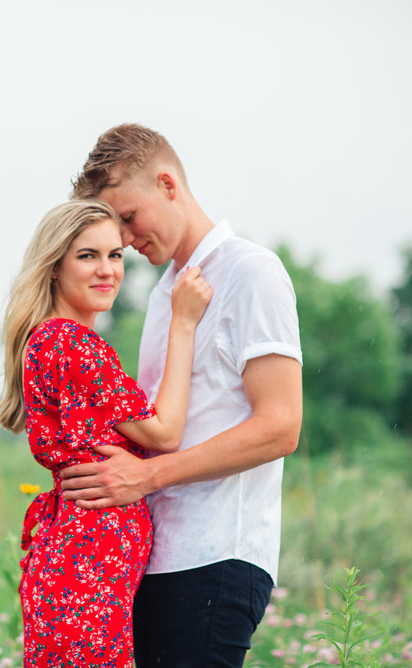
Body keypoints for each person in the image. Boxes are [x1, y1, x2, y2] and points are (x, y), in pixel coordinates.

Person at [61, 124, 304, 667]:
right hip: (153, 560)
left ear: (168, 184)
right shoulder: (165, 295)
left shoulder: (251, 271)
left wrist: (146, 477)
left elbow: (282, 426)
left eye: (127, 217)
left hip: (216, 557)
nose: (122, 238)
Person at [0, 199, 212, 667]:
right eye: (87, 255)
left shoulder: (48, 339)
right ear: (54, 267)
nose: (107, 271)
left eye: (115, 255)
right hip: (86, 567)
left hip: (79, 559)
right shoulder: (75, 345)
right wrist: (184, 321)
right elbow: (166, 433)